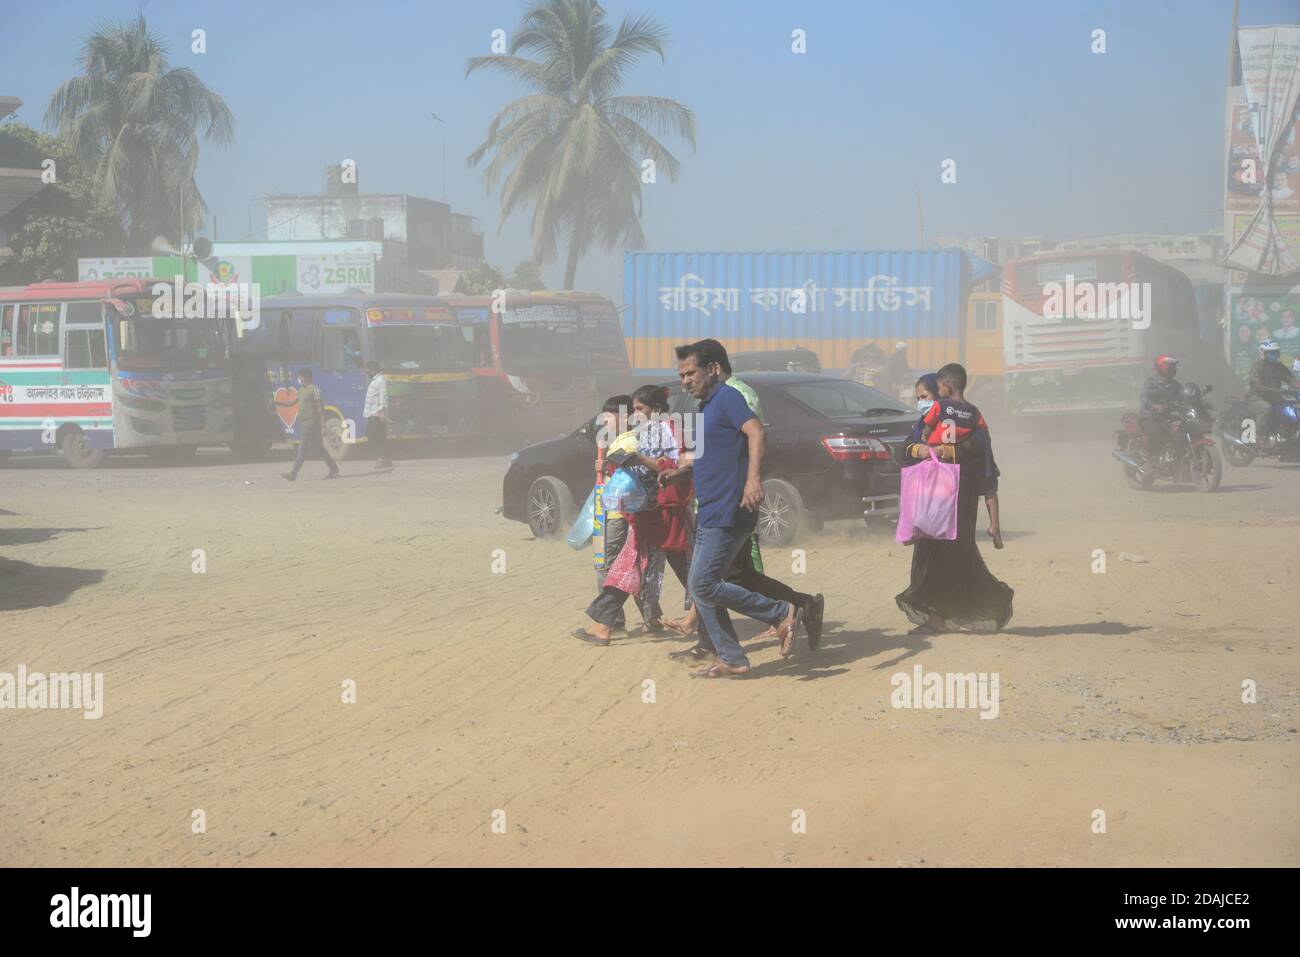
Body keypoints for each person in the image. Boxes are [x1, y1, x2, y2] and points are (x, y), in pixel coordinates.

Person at [663, 343, 825, 653]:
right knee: (734, 575)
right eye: (681, 375)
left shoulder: (732, 395)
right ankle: (796, 609)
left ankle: (774, 618)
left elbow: (755, 432)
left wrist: (753, 479)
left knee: (706, 582)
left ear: (713, 369)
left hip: (730, 506)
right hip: (712, 505)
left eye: (690, 373)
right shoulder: (704, 405)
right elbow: (714, 451)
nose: (685, 381)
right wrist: (681, 471)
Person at [896, 363, 1012, 634]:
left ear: (943, 389)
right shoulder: (968, 415)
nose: (922, 402)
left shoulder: (953, 416)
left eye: (926, 396)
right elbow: (903, 451)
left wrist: (947, 452)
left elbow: (983, 453)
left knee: (957, 555)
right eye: (920, 398)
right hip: (932, 500)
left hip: (960, 499)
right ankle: (936, 617)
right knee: (929, 556)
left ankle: (962, 611)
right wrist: (922, 450)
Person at [575, 388, 692, 645]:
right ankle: (605, 624)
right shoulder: (647, 432)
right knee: (628, 566)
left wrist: (637, 459)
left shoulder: (670, 429)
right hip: (648, 513)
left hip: (666, 511)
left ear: (657, 408)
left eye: (640, 409)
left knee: (691, 571)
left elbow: (675, 468)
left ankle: (772, 612)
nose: (635, 414)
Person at [922, 365, 1002, 549]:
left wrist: (927, 439)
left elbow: (926, 429)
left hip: (941, 462)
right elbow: (984, 435)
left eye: (939, 386)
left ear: (947, 387)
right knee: (990, 488)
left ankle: (917, 526)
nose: (938, 390)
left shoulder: (939, 406)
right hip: (964, 463)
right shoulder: (973, 411)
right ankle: (995, 526)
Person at [282, 368, 339, 481]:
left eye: (300, 377)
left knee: (302, 449)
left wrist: (323, 426)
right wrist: (279, 403)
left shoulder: (314, 389)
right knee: (320, 448)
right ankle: (334, 468)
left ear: (306, 377)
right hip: (303, 424)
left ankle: (293, 473)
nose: (299, 379)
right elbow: (293, 402)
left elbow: (320, 408)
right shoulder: (301, 390)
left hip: (311, 424)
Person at [1246, 340, 1299, 447]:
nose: (1273, 355)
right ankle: (1259, 435)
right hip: (1256, 398)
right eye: (1270, 353)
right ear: (1263, 353)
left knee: (1289, 407)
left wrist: (1297, 385)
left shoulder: (1279, 366)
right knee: (1266, 408)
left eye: (1275, 352)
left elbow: (1291, 380)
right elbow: (1255, 383)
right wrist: (1266, 389)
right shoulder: (1257, 366)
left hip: (1275, 398)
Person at [1137, 354, 1182, 458]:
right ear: (1163, 367)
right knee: (1156, 434)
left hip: (1166, 417)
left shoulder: (1176, 385)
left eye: (1175, 366)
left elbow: (1183, 397)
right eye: (1172, 366)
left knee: (1179, 432)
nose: (1174, 369)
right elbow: (1143, 397)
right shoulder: (1151, 382)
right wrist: (1154, 405)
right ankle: (1151, 461)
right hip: (1148, 416)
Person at [363, 360, 392, 470]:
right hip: (372, 413)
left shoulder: (381, 380)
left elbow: (383, 396)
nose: (367, 373)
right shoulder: (374, 380)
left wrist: (382, 412)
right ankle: (386, 459)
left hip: (377, 413)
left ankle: (381, 458)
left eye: (368, 370)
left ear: (373, 370)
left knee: (370, 434)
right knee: (380, 437)